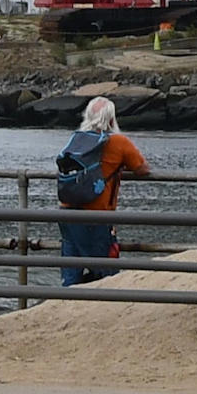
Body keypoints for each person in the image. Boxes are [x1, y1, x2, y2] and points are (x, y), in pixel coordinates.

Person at [52, 94, 151, 289]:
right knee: (106, 272)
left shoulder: (76, 139)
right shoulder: (118, 142)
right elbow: (142, 169)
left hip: (67, 212)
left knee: (71, 268)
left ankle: (67, 303)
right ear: (112, 119)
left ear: (87, 116)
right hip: (97, 215)